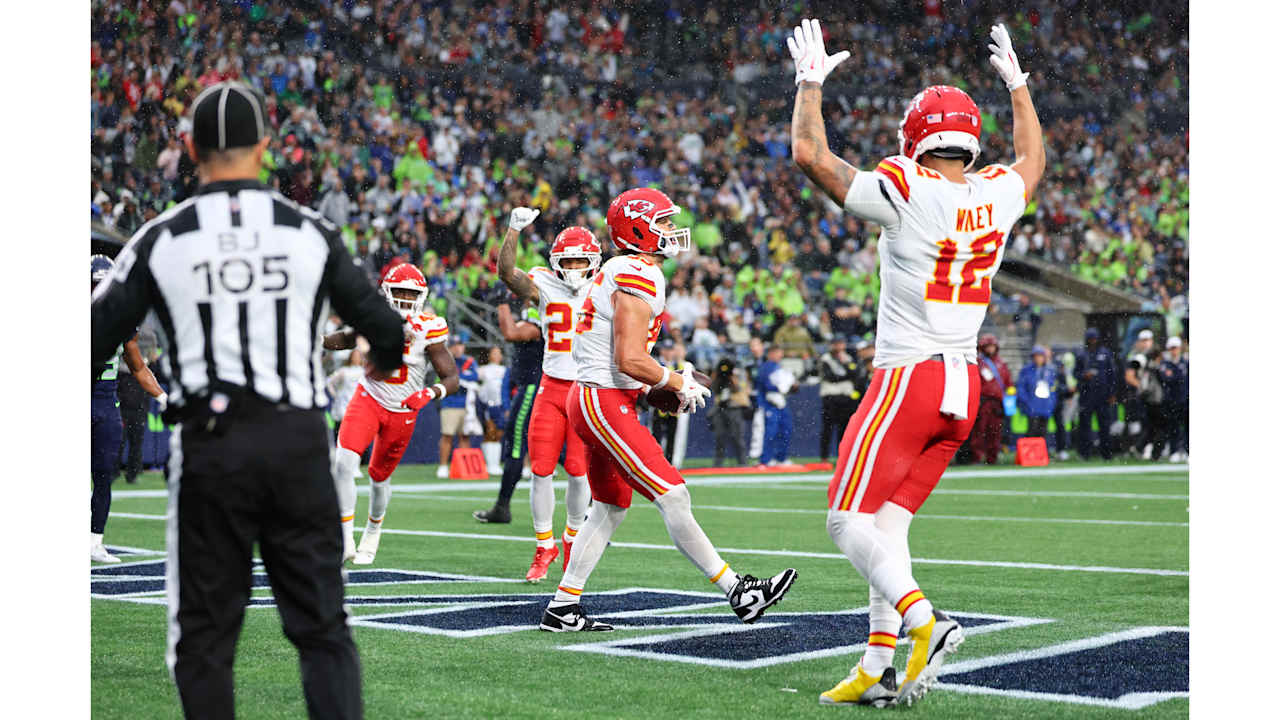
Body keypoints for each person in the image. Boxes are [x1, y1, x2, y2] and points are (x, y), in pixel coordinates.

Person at [91, 80, 406, 720]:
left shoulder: (161, 236)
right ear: (264, 147)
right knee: (321, 629)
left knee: (205, 640)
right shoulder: (308, 230)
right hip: (295, 440)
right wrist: (388, 360)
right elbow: (387, 328)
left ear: (190, 147)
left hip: (210, 447)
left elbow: (94, 331)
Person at [789, 20, 1044, 706]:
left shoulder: (906, 185)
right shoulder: (995, 192)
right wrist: (1019, 87)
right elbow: (1032, 161)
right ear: (969, 139)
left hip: (910, 376)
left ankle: (925, 620)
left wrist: (809, 83)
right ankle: (876, 665)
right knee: (887, 526)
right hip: (963, 384)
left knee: (845, 521)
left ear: (914, 139)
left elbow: (811, 155)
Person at [540, 186, 798, 632]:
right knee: (673, 493)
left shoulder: (630, 270)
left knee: (609, 507)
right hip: (601, 398)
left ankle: (563, 606)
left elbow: (622, 361)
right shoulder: (635, 271)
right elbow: (628, 360)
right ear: (638, 228)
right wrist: (673, 379)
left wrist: (660, 387)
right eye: (661, 222)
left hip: (601, 396)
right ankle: (739, 591)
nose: (671, 231)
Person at [322, 263, 461, 565]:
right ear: (386, 292)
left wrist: (429, 392)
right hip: (369, 398)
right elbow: (345, 339)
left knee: (378, 477)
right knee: (344, 462)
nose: (403, 298)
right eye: (397, 291)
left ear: (421, 295)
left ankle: (373, 530)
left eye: (409, 293)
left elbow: (451, 378)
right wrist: (317, 339)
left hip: (402, 410)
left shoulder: (428, 327)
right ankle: (345, 538)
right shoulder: (373, 315)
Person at [496, 209, 602, 582]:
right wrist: (513, 230)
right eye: (567, 259)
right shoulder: (544, 284)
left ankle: (571, 537)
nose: (573, 266)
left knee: (577, 472)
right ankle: (544, 546)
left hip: (584, 390)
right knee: (540, 471)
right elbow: (506, 273)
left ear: (593, 262)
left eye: (580, 260)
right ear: (555, 262)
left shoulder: (605, 287)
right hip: (551, 387)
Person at [90, 255, 168, 563]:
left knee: (104, 473)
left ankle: (95, 541)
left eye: (104, 285)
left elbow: (137, 366)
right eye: (95, 284)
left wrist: (162, 397)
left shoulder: (121, 317)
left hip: (106, 399)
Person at [472, 296, 545, 524]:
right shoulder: (540, 322)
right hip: (536, 387)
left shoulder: (535, 325)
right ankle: (589, 511)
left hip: (532, 389)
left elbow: (511, 333)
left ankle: (502, 506)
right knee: (561, 452)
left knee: (515, 447)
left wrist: (502, 303)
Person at [117, 326, 163, 484]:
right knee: (136, 436)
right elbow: (154, 358)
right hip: (138, 385)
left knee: (121, 435)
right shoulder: (150, 334)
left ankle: (115, 471)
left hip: (125, 384)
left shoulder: (121, 329)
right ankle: (132, 473)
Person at [436, 335, 479, 477]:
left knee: (465, 435)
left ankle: (465, 466)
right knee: (447, 435)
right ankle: (443, 466)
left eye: (460, 345)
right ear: (449, 348)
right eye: (454, 346)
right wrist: (459, 378)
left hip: (467, 404)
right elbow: (443, 379)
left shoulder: (469, 361)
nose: (458, 348)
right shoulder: (444, 361)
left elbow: (474, 377)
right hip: (450, 403)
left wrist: (458, 378)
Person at [1074, 327, 1118, 460]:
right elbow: (1075, 373)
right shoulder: (1081, 354)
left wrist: (1112, 393)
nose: (1092, 341)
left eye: (1094, 338)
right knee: (1085, 425)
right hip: (1086, 394)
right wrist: (1084, 375)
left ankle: (1106, 454)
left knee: (1104, 425)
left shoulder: (1105, 353)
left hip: (1103, 394)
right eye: (1090, 339)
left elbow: (1112, 374)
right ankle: (1085, 453)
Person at [972, 333, 1012, 464]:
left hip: (998, 403)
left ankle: (992, 458)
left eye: (992, 346)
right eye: (987, 346)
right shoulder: (977, 363)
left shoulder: (1001, 364)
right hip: (983, 402)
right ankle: (976, 458)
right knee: (979, 431)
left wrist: (1009, 398)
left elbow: (1008, 383)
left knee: (995, 431)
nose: (990, 349)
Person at [818, 336, 859, 464]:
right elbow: (830, 377)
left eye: (840, 343)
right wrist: (846, 374)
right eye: (836, 344)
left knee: (844, 429)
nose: (838, 347)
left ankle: (842, 457)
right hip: (830, 397)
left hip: (846, 398)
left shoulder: (848, 358)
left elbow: (855, 374)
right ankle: (824, 458)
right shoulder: (825, 359)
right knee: (828, 429)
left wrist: (845, 365)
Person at [756, 343, 797, 466]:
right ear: (771, 354)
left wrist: (790, 385)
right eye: (778, 353)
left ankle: (781, 458)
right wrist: (781, 386)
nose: (780, 356)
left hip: (780, 403)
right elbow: (767, 385)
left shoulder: (779, 367)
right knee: (770, 432)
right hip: (770, 403)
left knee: (786, 429)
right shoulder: (766, 367)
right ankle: (766, 459)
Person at [707, 355, 747, 466]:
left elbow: (739, 389)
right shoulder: (718, 375)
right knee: (719, 437)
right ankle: (718, 464)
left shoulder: (740, 373)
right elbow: (713, 388)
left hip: (734, 408)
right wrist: (718, 376)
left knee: (737, 437)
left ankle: (743, 463)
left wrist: (732, 377)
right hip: (720, 408)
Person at [1121, 329, 1155, 455]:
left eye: (1148, 340)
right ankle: (1135, 448)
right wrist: (1143, 387)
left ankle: (1146, 448)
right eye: (1143, 341)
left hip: (1154, 396)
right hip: (1139, 395)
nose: (1146, 343)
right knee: (1136, 422)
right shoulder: (1134, 356)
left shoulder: (1155, 355)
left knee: (1152, 422)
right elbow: (1129, 376)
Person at [476, 345, 508, 476]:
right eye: (494, 353)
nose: (497, 356)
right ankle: (489, 464)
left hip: (501, 405)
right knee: (490, 431)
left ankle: (495, 463)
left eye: (499, 353)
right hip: (488, 404)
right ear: (489, 355)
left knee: (499, 433)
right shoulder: (482, 370)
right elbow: (475, 381)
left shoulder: (505, 370)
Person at [1015, 346, 1057, 439]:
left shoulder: (1050, 371)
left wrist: (1051, 403)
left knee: (1042, 432)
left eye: (1040, 356)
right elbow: (1021, 387)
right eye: (1036, 356)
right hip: (1032, 406)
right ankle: (1030, 453)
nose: (1038, 358)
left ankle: (1040, 452)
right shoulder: (1026, 370)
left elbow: (1053, 388)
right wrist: (1026, 402)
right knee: (1032, 431)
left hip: (1045, 406)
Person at [1159, 336, 1189, 462]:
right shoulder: (1165, 364)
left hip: (1186, 399)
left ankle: (1187, 451)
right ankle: (1174, 451)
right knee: (1173, 427)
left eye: (1175, 348)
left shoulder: (1186, 363)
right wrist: (1177, 376)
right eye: (1171, 348)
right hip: (1171, 400)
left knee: (1188, 427)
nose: (1174, 350)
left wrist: (1175, 376)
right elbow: (1167, 379)